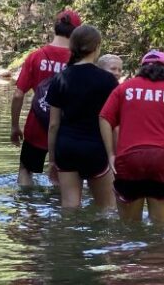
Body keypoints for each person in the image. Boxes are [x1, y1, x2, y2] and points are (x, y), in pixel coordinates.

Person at [99, 50, 164, 223]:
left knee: (128, 228)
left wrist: (110, 154)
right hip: (163, 161)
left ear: (142, 68)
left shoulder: (124, 88)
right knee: (161, 229)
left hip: (129, 160)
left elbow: (104, 118)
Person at [47, 25, 119, 210]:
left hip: (67, 147)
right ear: (97, 47)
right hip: (96, 148)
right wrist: (115, 155)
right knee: (107, 209)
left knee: (70, 207)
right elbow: (114, 124)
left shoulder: (60, 78)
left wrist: (52, 160)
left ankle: (69, 239)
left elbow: (54, 125)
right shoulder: (108, 80)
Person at [11, 9, 81, 186]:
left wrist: (14, 126)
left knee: (26, 170)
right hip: (68, 128)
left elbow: (18, 94)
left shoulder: (36, 56)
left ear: (55, 27)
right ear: (76, 32)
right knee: (63, 176)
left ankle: (28, 209)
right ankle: (60, 209)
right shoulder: (80, 60)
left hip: (37, 124)